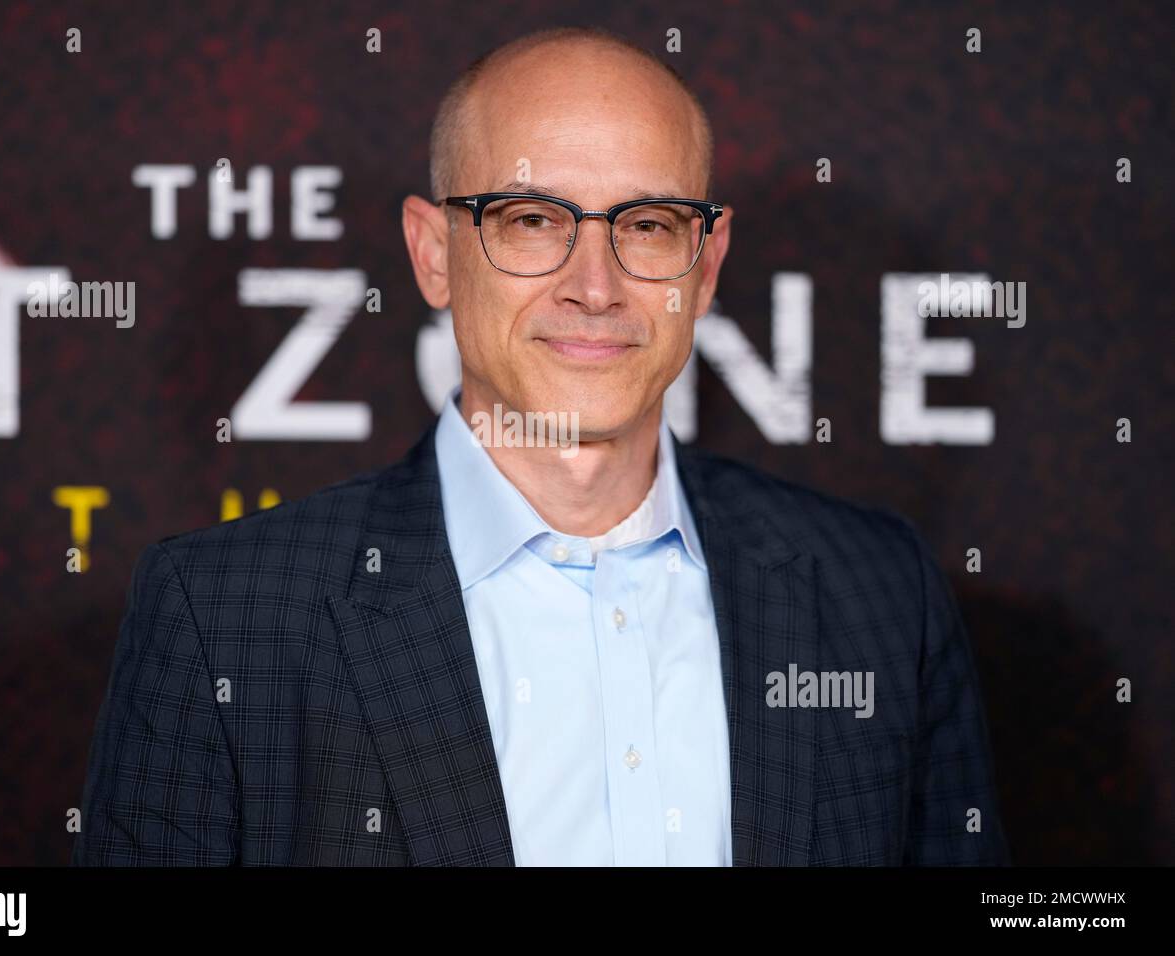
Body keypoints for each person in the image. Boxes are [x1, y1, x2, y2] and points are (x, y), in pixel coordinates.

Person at [73, 25, 1008, 866]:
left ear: (707, 264)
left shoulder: (878, 593)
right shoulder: (224, 615)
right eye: (531, 221)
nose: (593, 285)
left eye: (646, 225)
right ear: (433, 252)